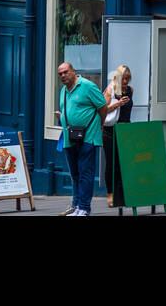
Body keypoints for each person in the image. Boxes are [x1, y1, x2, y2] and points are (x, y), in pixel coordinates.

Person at [57, 59, 107, 217]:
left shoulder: (87, 86)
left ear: (73, 71)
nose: (63, 76)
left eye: (65, 72)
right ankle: (77, 206)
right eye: (60, 74)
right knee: (75, 174)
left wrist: (101, 124)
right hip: (69, 137)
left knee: (85, 173)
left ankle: (84, 207)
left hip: (88, 137)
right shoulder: (64, 90)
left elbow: (102, 106)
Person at [102, 64, 133, 207]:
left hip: (125, 131)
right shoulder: (111, 90)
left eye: (127, 78)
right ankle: (110, 194)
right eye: (123, 78)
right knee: (111, 163)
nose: (125, 82)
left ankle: (122, 194)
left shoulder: (130, 91)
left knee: (123, 164)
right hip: (111, 131)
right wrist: (118, 104)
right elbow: (103, 110)